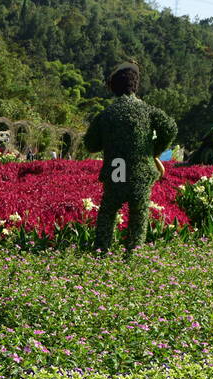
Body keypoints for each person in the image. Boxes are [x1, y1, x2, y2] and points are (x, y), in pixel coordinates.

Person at [82, 63, 176, 257]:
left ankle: (101, 251)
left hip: (118, 170)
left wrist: (109, 141)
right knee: (138, 214)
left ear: (113, 86)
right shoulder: (147, 110)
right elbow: (170, 128)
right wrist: (153, 151)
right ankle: (133, 253)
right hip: (140, 171)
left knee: (108, 212)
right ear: (135, 85)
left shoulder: (106, 114)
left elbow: (90, 144)